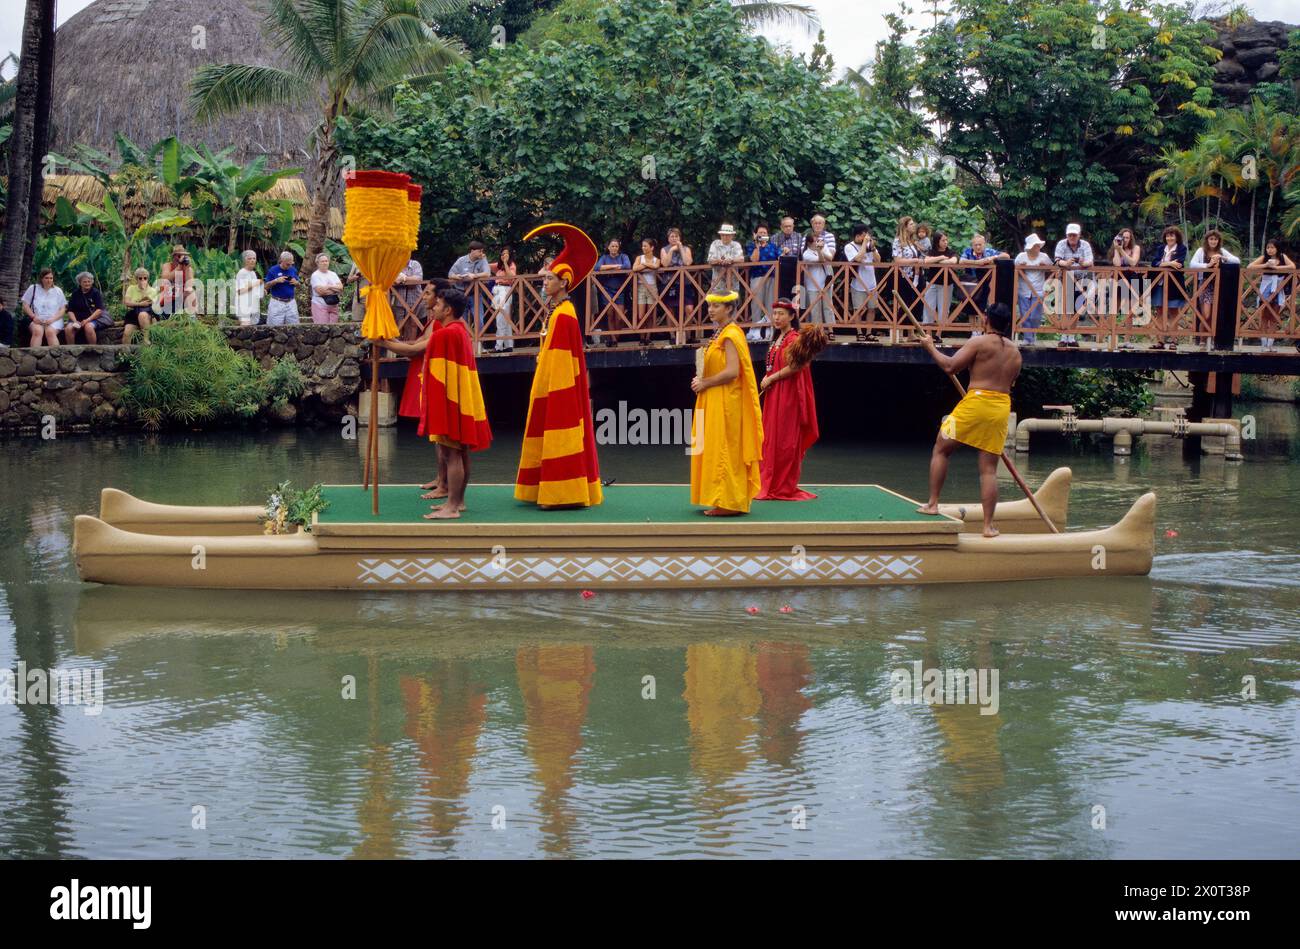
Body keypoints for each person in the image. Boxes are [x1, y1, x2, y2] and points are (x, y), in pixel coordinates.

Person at [381, 286, 491, 519]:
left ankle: (451, 508)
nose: (434, 308)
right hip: (462, 397)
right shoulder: (460, 329)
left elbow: (416, 355)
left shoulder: (444, 334)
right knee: (461, 452)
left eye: (438, 305)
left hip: (450, 399)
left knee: (452, 453)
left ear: (448, 309)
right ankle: (457, 502)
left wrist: (382, 342)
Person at [916, 302, 1022, 537]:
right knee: (989, 470)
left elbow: (950, 366)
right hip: (1000, 407)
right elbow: (1011, 381)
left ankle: (932, 504)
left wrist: (930, 347)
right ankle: (988, 526)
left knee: (941, 448)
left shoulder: (979, 342)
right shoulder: (1016, 352)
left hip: (976, 403)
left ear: (986, 320)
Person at [516, 223, 603, 508]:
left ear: (564, 282)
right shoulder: (555, 312)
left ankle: (562, 493)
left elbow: (566, 363)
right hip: (548, 382)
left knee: (559, 431)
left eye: (550, 278)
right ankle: (544, 488)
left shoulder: (565, 315)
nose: (545, 282)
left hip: (559, 387)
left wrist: (556, 391)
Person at [690, 290, 763, 516]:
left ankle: (729, 501)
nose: (710, 310)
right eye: (710, 305)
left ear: (729, 308)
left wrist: (706, 382)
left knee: (724, 449)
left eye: (716, 306)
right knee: (714, 447)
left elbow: (732, 372)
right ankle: (722, 498)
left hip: (725, 400)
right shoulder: (721, 333)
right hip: (714, 397)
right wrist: (701, 380)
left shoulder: (731, 334)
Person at [757, 298, 824, 500]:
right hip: (776, 391)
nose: (777, 318)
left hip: (788, 395)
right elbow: (774, 365)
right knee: (770, 437)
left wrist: (772, 378)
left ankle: (782, 485)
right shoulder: (779, 338)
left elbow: (796, 366)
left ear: (792, 317)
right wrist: (768, 377)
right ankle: (768, 480)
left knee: (785, 439)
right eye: (775, 313)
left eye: (781, 314)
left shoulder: (793, 338)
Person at [1247, 238, 1295, 351]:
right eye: (1268, 247)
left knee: (1274, 316)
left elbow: (1292, 267)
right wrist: (1265, 266)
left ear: (1277, 248)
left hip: (1278, 289)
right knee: (1264, 316)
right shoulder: (1264, 258)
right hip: (1266, 288)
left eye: (1272, 247)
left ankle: (1270, 344)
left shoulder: (1283, 257)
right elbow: (1250, 267)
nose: (1270, 250)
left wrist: (1276, 268)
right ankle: (1264, 344)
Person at [1188, 230, 1240, 335]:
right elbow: (1192, 264)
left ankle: (1210, 340)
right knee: (1206, 315)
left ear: (1218, 241)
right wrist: (1207, 265)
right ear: (1207, 240)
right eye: (1211, 239)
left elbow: (1237, 260)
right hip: (1205, 285)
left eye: (1215, 239)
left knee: (1215, 315)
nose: (1213, 241)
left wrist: (1223, 257)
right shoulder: (1201, 251)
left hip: (1220, 286)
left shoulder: (1221, 251)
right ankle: (1202, 340)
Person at [1053, 223, 1094, 347]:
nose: (1072, 237)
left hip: (1081, 280)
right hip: (1064, 279)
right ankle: (1063, 335)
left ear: (1079, 235)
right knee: (1065, 307)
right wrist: (1066, 263)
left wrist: (1082, 262)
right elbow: (1056, 260)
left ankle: (1071, 336)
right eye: (1070, 235)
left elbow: (1090, 261)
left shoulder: (1085, 245)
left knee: (1076, 308)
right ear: (1067, 235)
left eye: (1074, 235)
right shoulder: (1061, 244)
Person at [1148, 225, 1187, 350]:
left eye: (1172, 235)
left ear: (1176, 237)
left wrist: (1162, 264)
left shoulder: (1181, 248)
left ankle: (1173, 341)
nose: (1169, 238)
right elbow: (1154, 263)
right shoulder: (1160, 248)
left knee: (1174, 311)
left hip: (1174, 284)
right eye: (1168, 235)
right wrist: (1169, 263)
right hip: (1159, 283)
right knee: (1159, 311)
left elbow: (1179, 264)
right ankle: (1160, 341)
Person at [959, 233, 1008, 328]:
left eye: (980, 244)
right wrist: (977, 262)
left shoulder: (989, 252)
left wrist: (992, 258)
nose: (977, 247)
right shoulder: (968, 251)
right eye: (975, 245)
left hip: (986, 283)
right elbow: (961, 261)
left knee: (983, 307)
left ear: (984, 244)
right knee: (971, 307)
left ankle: (982, 329)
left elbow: (1006, 255)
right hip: (972, 283)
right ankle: (973, 330)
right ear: (972, 245)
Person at [844, 225, 880, 342]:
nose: (865, 238)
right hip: (857, 283)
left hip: (871, 283)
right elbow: (858, 259)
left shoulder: (869, 246)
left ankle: (869, 332)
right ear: (857, 235)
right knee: (858, 309)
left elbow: (878, 260)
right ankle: (859, 333)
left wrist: (873, 248)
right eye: (863, 236)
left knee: (872, 308)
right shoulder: (849, 247)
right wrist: (864, 244)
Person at [920, 231, 958, 340]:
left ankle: (938, 334)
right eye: (943, 240)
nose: (946, 242)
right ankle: (928, 334)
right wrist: (941, 257)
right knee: (928, 308)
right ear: (937, 241)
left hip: (946, 284)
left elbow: (953, 261)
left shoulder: (951, 252)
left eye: (946, 240)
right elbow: (926, 261)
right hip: (931, 283)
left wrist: (937, 262)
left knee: (944, 310)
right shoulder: (932, 251)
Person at [659, 227, 695, 343]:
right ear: (668, 238)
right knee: (670, 310)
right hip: (670, 283)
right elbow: (665, 264)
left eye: (676, 236)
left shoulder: (686, 249)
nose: (674, 238)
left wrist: (680, 249)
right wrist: (671, 251)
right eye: (672, 236)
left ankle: (688, 335)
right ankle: (673, 336)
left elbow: (687, 262)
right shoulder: (664, 249)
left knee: (689, 309)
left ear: (680, 238)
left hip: (685, 282)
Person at [1014, 234, 1051, 345]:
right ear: (1030, 247)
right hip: (1024, 289)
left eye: (1038, 245)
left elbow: (1053, 268)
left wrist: (1045, 266)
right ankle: (1027, 338)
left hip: (1038, 289)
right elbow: (1014, 268)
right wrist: (1020, 266)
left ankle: (1033, 335)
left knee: (1035, 315)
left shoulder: (1044, 256)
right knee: (1024, 313)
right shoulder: (1021, 256)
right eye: (1036, 245)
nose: (1038, 247)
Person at [745, 223, 779, 342]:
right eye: (760, 233)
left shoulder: (773, 246)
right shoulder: (751, 246)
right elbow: (754, 259)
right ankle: (756, 331)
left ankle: (769, 331)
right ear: (755, 234)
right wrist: (757, 245)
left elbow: (779, 258)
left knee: (771, 304)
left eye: (764, 233)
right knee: (756, 304)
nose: (762, 235)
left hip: (772, 277)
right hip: (757, 277)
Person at [595, 237, 631, 345]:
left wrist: (607, 268)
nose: (614, 248)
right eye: (612, 246)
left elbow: (627, 266)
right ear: (608, 247)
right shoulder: (605, 257)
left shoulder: (623, 256)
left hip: (620, 289)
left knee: (620, 317)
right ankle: (614, 340)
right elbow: (597, 268)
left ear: (618, 247)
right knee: (610, 314)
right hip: (607, 289)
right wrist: (615, 266)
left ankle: (615, 337)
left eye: (616, 246)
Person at [449, 241, 490, 331]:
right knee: (462, 321)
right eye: (480, 251)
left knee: (479, 321)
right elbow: (450, 274)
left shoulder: (482, 259)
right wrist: (457, 277)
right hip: (461, 294)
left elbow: (487, 273)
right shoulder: (461, 260)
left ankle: (478, 343)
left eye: (482, 251)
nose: (481, 253)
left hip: (475, 293)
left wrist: (474, 275)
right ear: (472, 251)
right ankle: (465, 342)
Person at [22, 269, 66, 347]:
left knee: (50, 332)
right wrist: (33, 317)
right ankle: (34, 356)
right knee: (37, 331)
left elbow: (63, 309)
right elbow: (25, 305)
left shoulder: (58, 291)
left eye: (51, 278)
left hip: (54, 319)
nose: (49, 280)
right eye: (46, 278)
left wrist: (52, 319)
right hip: (37, 319)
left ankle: (56, 357)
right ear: (41, 278)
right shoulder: (33, 288)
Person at [892, 216, 923, 329]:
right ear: (904, 227)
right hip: (904, 276)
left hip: (915, 276)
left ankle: (910, 332)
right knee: (905, 304)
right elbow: (897, 260)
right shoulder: (898, 241)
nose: (914, 225)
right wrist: (914, 261)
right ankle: (898, 331)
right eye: (911, 224)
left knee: (915, 304)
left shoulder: (912, 241)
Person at [63, 272, 111, 344]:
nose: (87, 283)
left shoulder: (95, 292)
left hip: (93, 319)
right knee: (68, 329)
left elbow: (99, 310)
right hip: (77, 320)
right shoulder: (75, 294)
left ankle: (93, 350)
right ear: (80, 283)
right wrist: (75, 321)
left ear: (92, 282)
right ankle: (71, 351)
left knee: (88, 327)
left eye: (89, 281)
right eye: (84, 282)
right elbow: (70, 310)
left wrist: (87, 320)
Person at [632, 237, 660, 345]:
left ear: (652, 248)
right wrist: (646, 265)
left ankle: (648, 337)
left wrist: (644, 265)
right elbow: (634, 268)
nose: (643, 248)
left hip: (652, 287)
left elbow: (656, 266)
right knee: (641, 315)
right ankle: (642, 337)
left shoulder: (656, 259)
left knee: (650, 314)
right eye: (642, 246)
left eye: (645, 246)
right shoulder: (639, 258)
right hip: (641, 287)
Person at [264, 251, 301, 326]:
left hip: (291, 303)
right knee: (275, 327)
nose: (290, 266)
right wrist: (276, 281)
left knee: (294, 327)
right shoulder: (273, 270)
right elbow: (266, 286)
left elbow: (299, 286)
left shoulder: (293, 270)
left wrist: (296, 283)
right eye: (288, 264)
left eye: (291, 264)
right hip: (277, 303)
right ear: (281, 261)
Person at [491, 247, 517, 352]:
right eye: (502, 254)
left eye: (506, 254)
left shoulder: (511, 265)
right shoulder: (498, 266)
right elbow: (487, 266)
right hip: (497, 290)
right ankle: (508, 345)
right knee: (505, 318)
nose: (503, 256)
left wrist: (506, 263)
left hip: (505, 290)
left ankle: (498, 346)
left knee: (501, 317)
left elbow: (511, 278)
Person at [772, 215, 803, 301]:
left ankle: (795, 313)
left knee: (796, 296)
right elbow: (773, 255)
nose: (788, 228)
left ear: (793, 226)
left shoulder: (799, 237)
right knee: (781, 296)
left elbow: (802, 255)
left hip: (796, 270)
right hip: (780, 271)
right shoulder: (775, 237)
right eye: (786, 226)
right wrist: (781, 252)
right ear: (781, 227)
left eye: (790, 226)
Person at [707, 223, 744, 293]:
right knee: (717, 303)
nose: (724, 237)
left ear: (732, 235)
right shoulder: (715, 244)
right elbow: (710, 260)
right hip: (717, 284)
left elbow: (741, 259)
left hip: (733, 284)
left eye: (727, 235)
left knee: (733, 303)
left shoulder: (736, 245)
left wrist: (731, 260)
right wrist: (719, 261)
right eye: (723, 235)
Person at [393, 256, 425, 337]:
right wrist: (401, 280)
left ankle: (412, 346)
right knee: (400, 324)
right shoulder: (395, 265)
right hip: (400, 301)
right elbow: (392, 280)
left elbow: (418, 279)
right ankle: (400, 346)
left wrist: (403, 278)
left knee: (413, 324)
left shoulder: (415, 264)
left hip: (415, 300)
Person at [160, 245, 197, 313]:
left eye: (183, 256)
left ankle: (191, 315)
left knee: (191, 291)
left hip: (182, 297)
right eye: (179, 256)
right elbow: (165, 279)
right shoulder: (167, 266)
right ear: (174, 257)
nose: (181, 258)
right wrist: (179, 266)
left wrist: (187, 269)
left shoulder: (189, 269)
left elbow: (190, 284)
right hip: (169, 297)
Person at [309, 253, 344, 324]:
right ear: (317, 263)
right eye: (322, 261)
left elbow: (341, 288)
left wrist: (329, 287)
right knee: (322, 328)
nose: (325, 263)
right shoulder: (315, 275)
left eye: (326, 261)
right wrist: (335, 290)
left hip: (334, 305)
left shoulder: (333, 274)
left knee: (334, 330)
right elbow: (320, 292)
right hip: (320, 305)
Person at [233, 251, 263, 326]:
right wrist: (254, 284)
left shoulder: (253, 273)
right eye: (249, 258)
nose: (252, 260)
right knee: (245, 328)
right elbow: (239, 291)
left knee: (253, 327)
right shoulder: (242, 273)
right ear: (244, 260)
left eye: (254, 258)